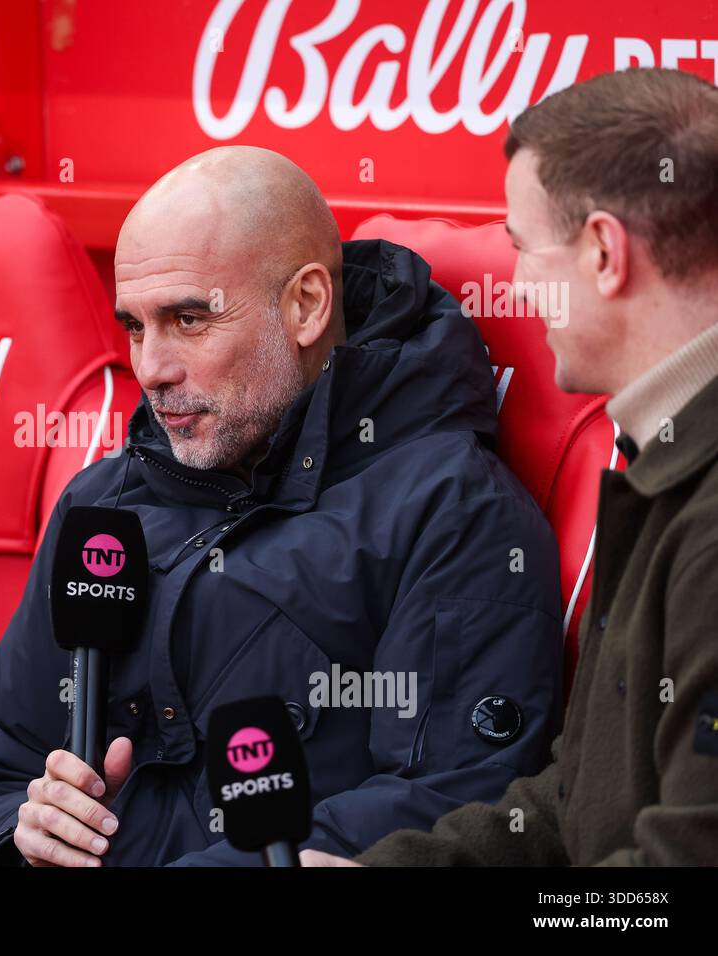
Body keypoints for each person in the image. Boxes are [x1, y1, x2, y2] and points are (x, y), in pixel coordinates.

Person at [0, 146, 563, 866]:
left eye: (189, 320)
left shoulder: (456, 513)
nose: (151, 369)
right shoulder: (105, 501)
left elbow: (447, 805)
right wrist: (23, 829)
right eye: (136, 327)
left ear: (304, 306)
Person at [305, 67, 718, 867]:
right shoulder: (661, 450)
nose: (519, 288)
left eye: (524, 249)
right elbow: (580, 798)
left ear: (604, 252)